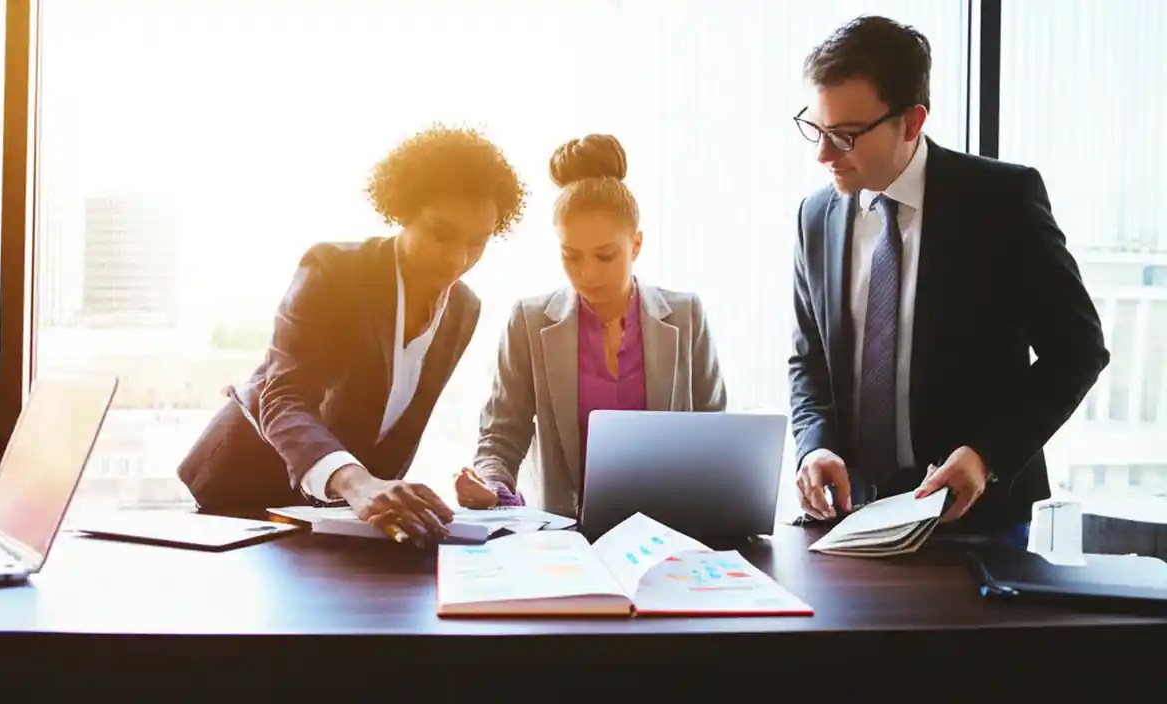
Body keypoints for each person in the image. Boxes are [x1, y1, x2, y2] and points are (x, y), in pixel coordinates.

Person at [788, 16, 1109, 544]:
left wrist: (987, 455)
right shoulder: (815, 216)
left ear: (912, 122)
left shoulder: (1002, 203)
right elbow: (810, 362)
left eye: (844, 136)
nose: (821, 154)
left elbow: (1077, 351)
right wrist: (814, 446)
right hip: (849, 521)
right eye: (815, 128)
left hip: (979, 520)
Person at [178, 125, 527, 545]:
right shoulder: (334, 270)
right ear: (404, 210)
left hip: (339, 516)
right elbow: (283, 396)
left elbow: (392, 427)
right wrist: (357, 484)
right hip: (240, 493)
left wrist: (386, 499)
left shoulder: (463, 308)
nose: (457, 258)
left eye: (478, 241)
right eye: (441, 233)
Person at [455, 134, 727, 517]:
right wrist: (490, 485)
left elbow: (715, 436)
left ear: (635, 245)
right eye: (571, 256)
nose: (587, 274)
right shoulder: (529, 323)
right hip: (563, 536)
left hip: (668, 529)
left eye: (605, 255)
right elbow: (501, 436)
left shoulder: (685, 315)